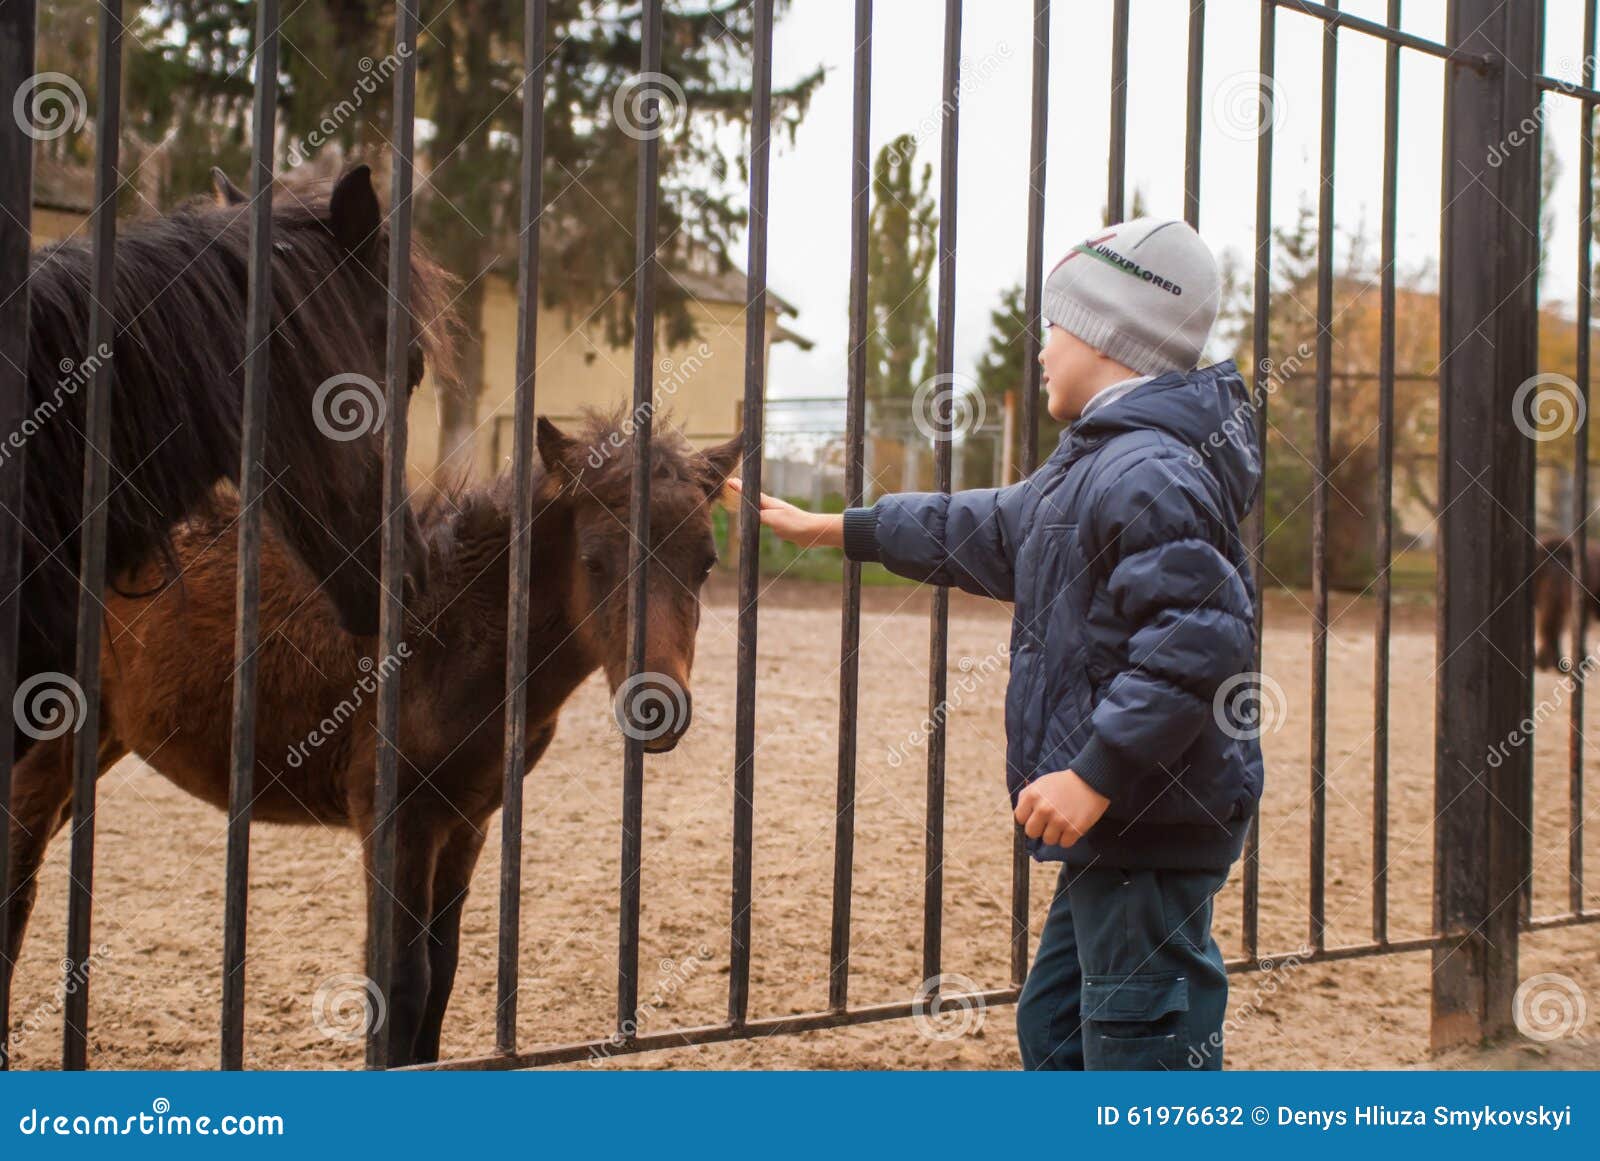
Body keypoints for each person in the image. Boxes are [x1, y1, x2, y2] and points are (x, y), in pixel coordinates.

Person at [729, 216, 1264, 1070]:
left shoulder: (1147, 472)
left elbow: (1199, 642)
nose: (1042, 350)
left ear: (1108, 334)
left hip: (1151, 816)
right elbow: (979, 526)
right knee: (1056, 1027)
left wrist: (1097, 772)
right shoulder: (1094, 465)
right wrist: (837, 527)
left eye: (1054, 327)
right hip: (1127, 822)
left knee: (1141, 1039)